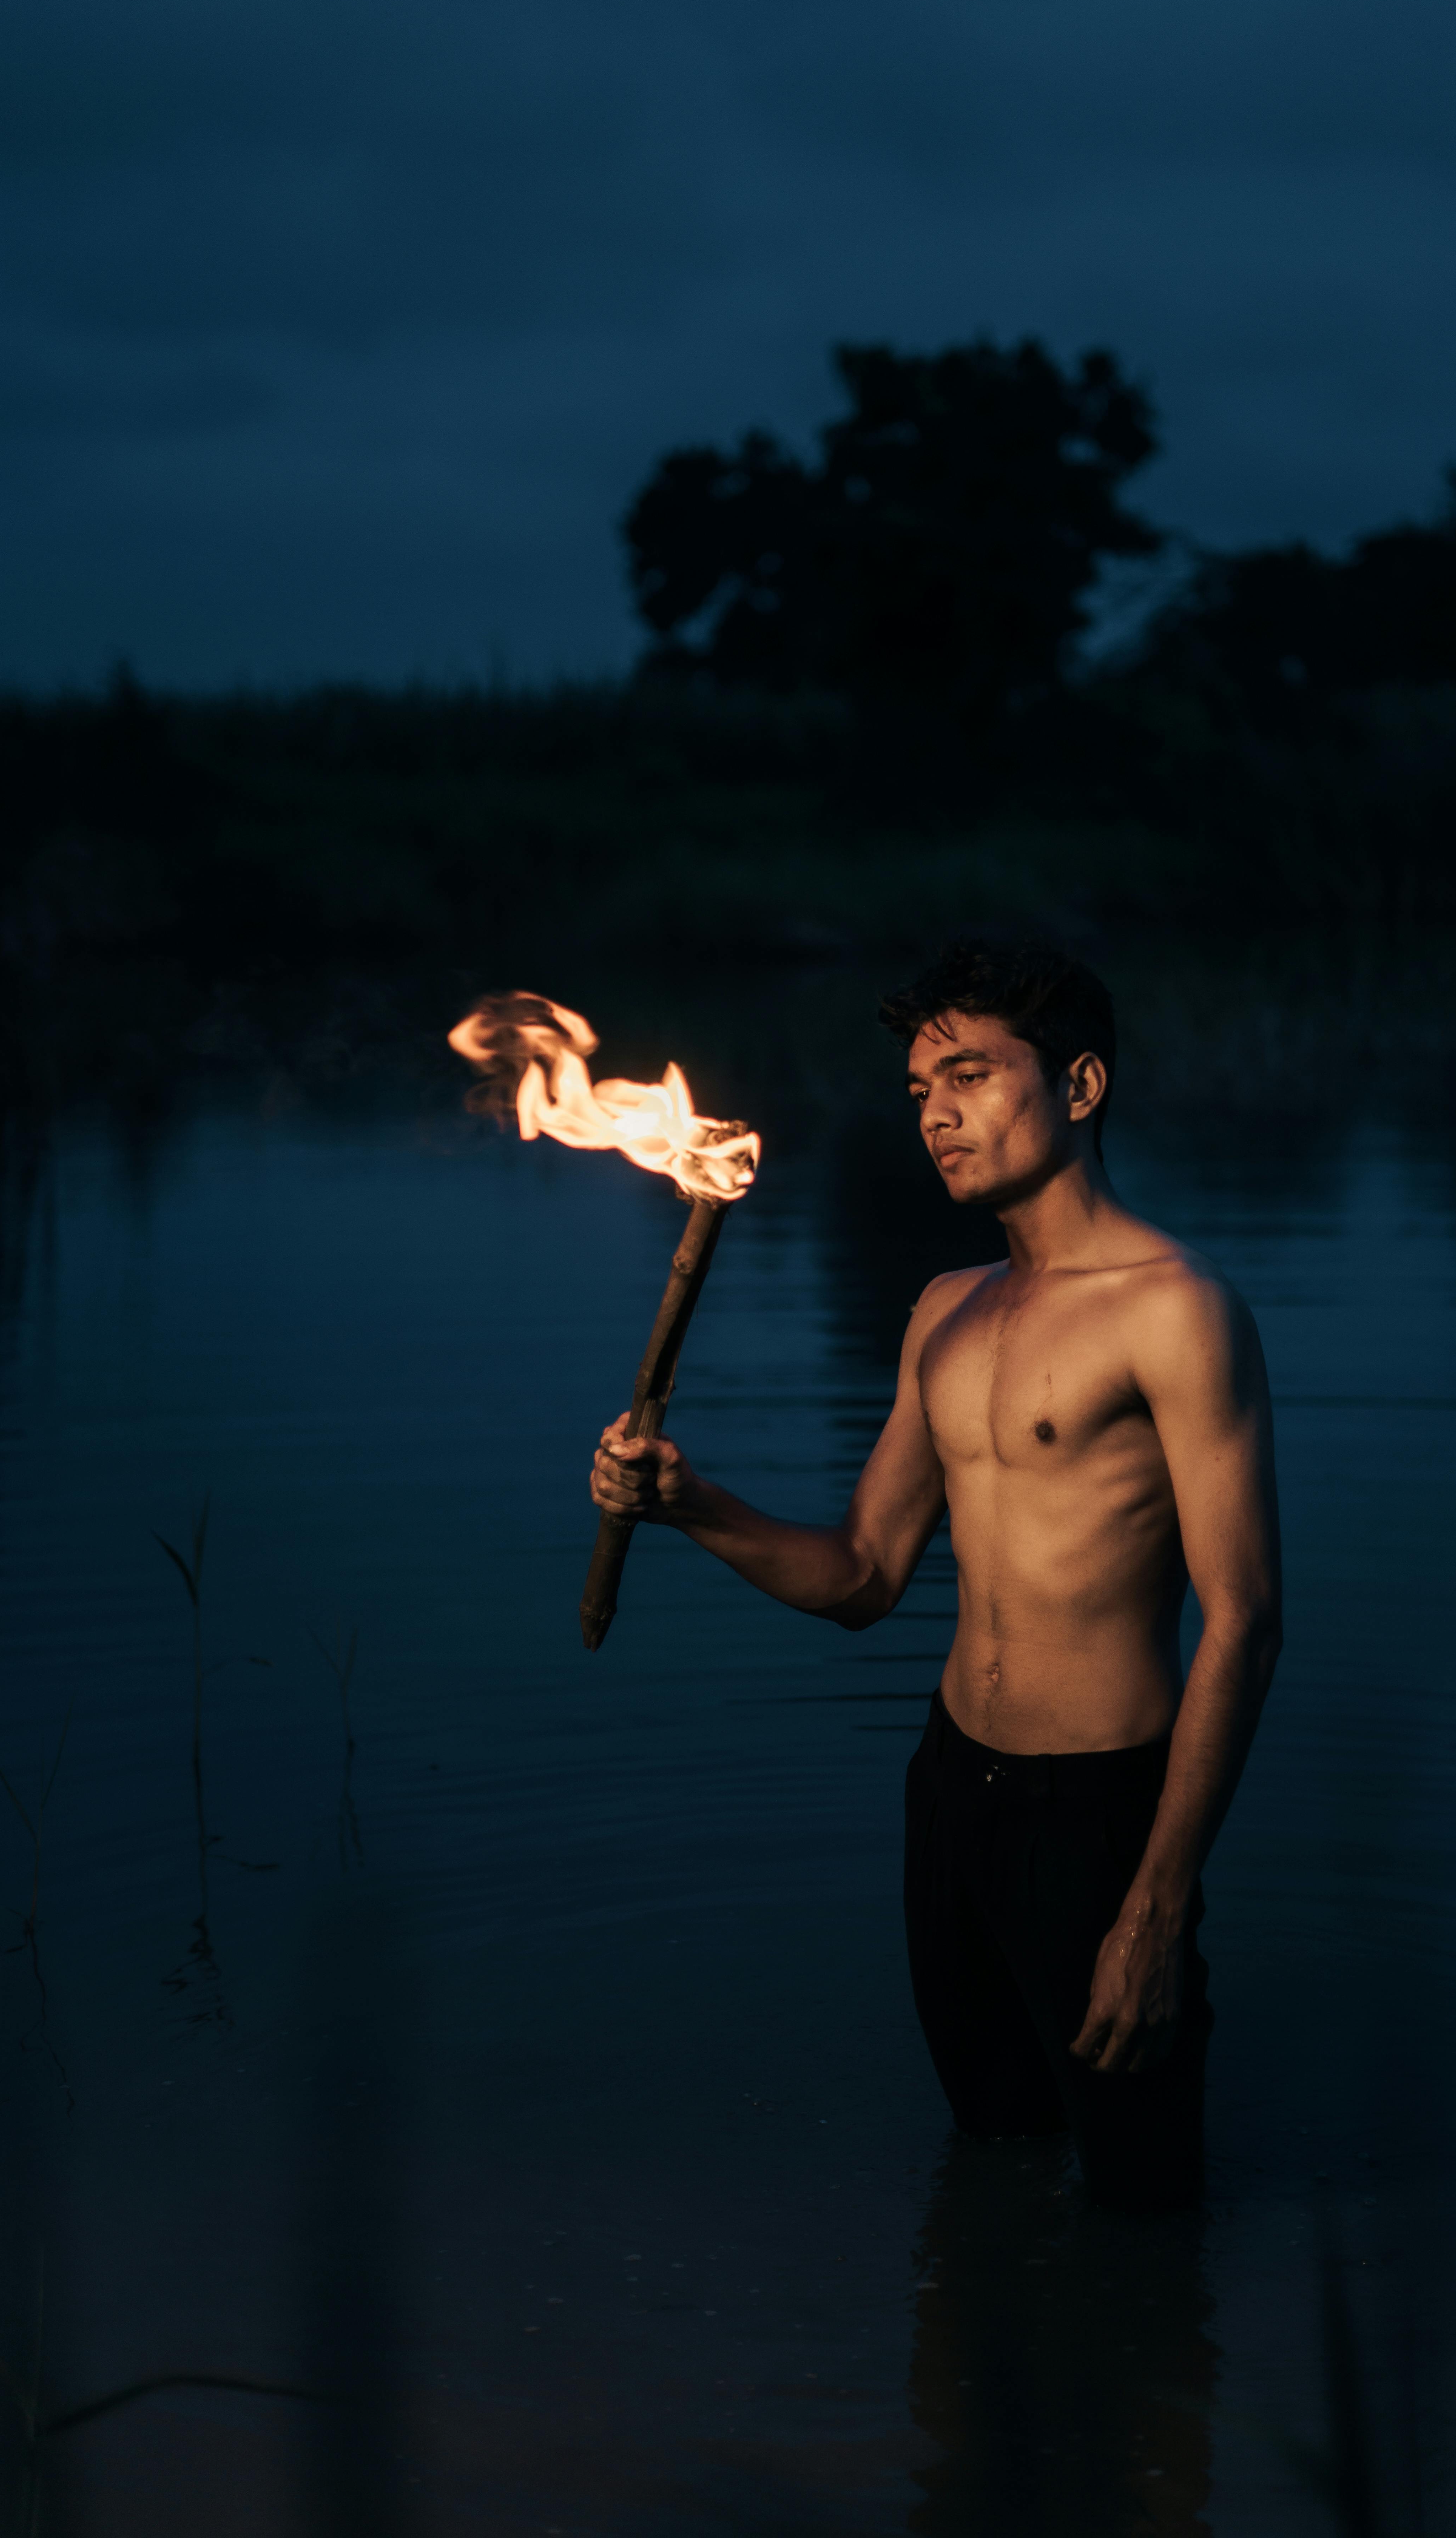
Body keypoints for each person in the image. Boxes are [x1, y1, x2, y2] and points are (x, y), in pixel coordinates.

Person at [591, 940, 1282, 2210]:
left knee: (1143, 2210)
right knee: (996, 2168)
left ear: (1079, 1086)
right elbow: (860, 1574)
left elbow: (1244, 1622)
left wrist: (1153, 1911)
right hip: (951, 1794)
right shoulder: (943, 1312)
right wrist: (692, 1504)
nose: (940, 1114)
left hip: (1102, 1816)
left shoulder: (1177, 1310)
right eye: (920, 1090)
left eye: (971, 1075)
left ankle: (1161, 2400)